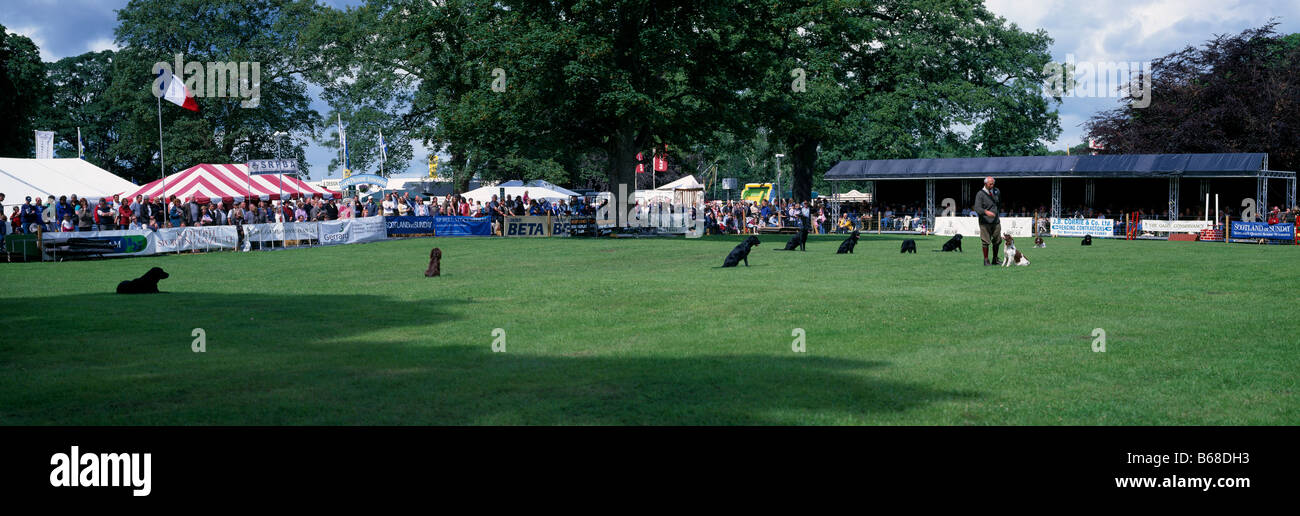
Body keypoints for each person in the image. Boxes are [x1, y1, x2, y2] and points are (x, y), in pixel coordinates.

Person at [973, 176, 1002, 266]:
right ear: (985, 184)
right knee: (985, 241)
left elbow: (999, 203)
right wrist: (986, 212)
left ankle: (995, 259)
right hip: (985, 222)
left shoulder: (996, 191)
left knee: (997, 240)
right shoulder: (980, 194)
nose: (992, 185)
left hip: (996, 221)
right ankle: (986, 260)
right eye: (990, 184)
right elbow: (977, 208)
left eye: (993, 183)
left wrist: (996, 213)